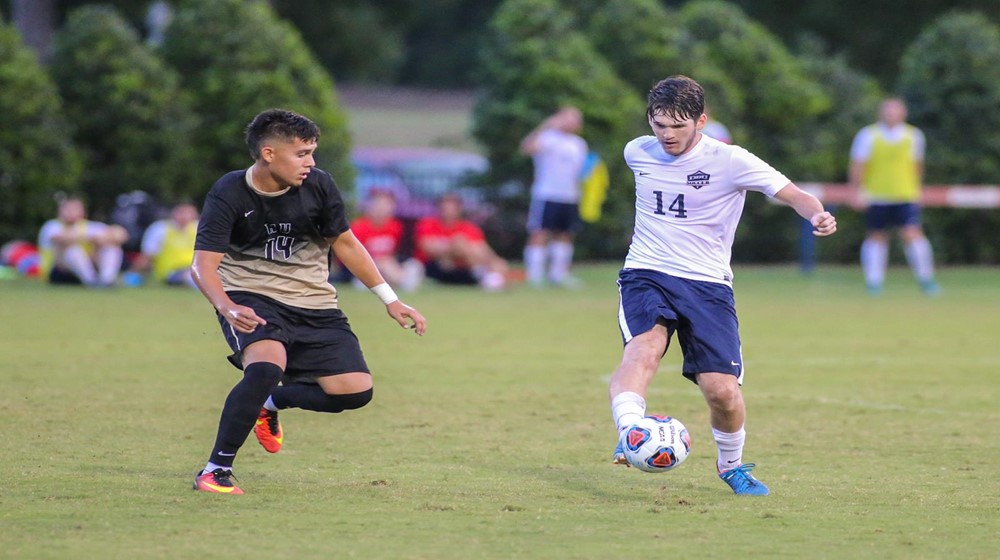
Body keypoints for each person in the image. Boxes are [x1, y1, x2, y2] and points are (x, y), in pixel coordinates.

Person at [608, 76, 837, 496]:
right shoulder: (636, 151)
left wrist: (816, 215)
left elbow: (792, 193)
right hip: (647, 271)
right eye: (659, 124)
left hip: (708, 284)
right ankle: (630, 431)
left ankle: (731, 466)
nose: (667, 135)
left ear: (702, 121)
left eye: (678, 126)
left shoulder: (731, 160)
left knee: (723, 392)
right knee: (644, 348)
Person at [190, 109, 427, 494]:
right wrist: (226, 306)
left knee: (355, 392)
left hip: (315, 303)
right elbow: (202, 266)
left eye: (312, 152)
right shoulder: (229, 191)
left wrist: (390, 299)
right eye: (302, 153)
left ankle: (271, 403)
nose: (311, 162)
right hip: (252, 297)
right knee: (266, 365)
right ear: (269, 153)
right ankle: (215, 469)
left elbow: (346, 243)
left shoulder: (319, 185)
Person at [849, 97, 938, 296]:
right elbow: (858, 165)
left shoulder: (913, 135)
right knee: (876, 236)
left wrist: (918, 189)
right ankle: (874, 283)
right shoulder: (868, 135)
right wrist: (856, 191)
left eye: (895, 110)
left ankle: (926, 279)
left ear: (903, 113)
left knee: (912, 234)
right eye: (888, 110)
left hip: (905, 194)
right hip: (877, 195)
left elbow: (917, 166)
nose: (891, 114)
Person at [519, 107, 588, 287]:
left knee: (565, 234)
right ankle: (534, 275)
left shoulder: (579, 144)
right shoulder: (547, 138)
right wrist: (545, 126)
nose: (574, 122)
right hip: (547, 194)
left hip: (570, 196)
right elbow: (527, 148)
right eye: (570, 118)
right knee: (540, 232)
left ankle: (559, 274)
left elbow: (580, 172)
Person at [414, 193, 508, 291]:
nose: (448, 212)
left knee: (494, 262)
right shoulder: (427, 224)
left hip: (463, 267)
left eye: (451, 208)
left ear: (458, 209)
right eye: (444, 208)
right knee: (459, 243)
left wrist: (493, 261)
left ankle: (485, 275)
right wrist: (454, 248)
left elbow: (482, 250)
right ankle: (484, 276)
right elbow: (427, 248)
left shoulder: (469, 228)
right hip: (436, 267)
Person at [37, 197, 128, 287]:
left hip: (88, 269)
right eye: (68, 209)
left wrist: (102, 240)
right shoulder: (52, 226)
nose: (71, 212)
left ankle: (106, 280)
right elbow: (60, 238)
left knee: (111, 248)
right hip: (60, 272)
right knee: (72, 250)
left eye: (75, 209)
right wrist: (90, 238)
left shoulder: (89, 226)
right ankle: (91, 281)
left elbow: (121, 235)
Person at [350, 190, 424, 292]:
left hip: (392, 265)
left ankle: (399, 281)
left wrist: (391, 262)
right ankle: (400, 282)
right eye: (378, 205)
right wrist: (378, 262)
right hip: (368, 267)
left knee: (414, 265)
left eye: (386, 206)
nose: (382, 210)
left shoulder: (396, 227)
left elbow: (402, 252)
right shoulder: (358, 227)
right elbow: (352, 255)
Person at [126, 201, 199, 288]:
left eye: (189, 213)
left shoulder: (199, 228)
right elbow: (147, 256)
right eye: (182, 212)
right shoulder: (160, 228)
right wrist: (133, 273)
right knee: (192, 276)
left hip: (195, 269)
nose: (185, 216)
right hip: (170, 272)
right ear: (174, 213)